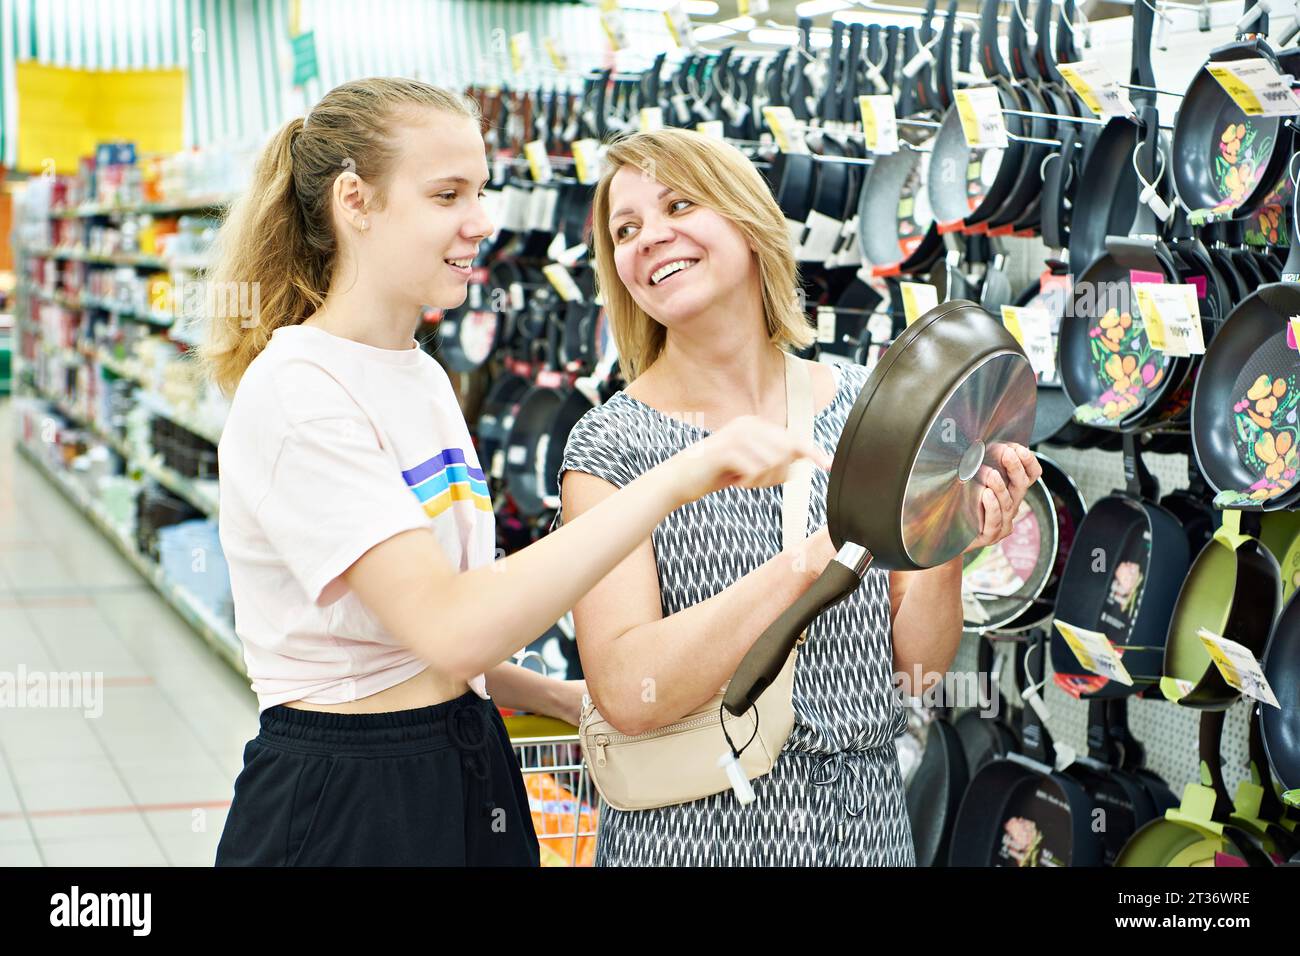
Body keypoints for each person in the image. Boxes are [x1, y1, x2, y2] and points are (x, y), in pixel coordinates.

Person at [203, 80, 829, 867]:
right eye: (447, 194)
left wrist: (563, 699)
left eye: (482, 190)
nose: (481, 221)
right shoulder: (298, 394)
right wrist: (681, 475)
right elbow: (451, 624)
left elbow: (424, 649)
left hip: (463, 755)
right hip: (350, 792)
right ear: (355, 202)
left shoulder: (418, 375)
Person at [557, 129, 1042, 866]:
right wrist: (806, 566)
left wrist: (947, 540)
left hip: (864, 827)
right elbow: (628, 690)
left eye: (678, 204)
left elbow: (917, 665)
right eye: (625, 230)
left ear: (748, 222)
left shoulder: (867, 406)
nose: (650, 238)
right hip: (697, 833)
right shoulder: (610, 447)